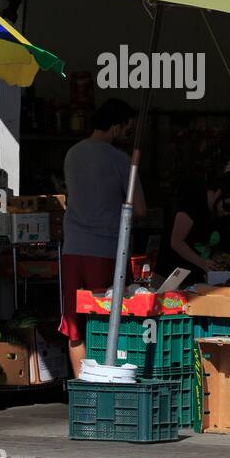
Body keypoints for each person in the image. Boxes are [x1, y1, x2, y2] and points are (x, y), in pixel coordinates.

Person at [58, 97, 146, 375]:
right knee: (104, 321)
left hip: (72, 248)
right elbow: (140, 209)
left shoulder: (72, 153)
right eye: (126, 129)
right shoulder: (120, 160)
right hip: (105, 250)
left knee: (75, 327)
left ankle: (83, 393)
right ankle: (105, 384)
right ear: (117, 127)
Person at [157, 164, 230, 282]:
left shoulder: (219, 215)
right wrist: (202, 263)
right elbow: (176, 242)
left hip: (195, 279)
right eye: (227, 206)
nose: (228, 213)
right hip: (169, 276)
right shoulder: (194, 202)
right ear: (219, 193)